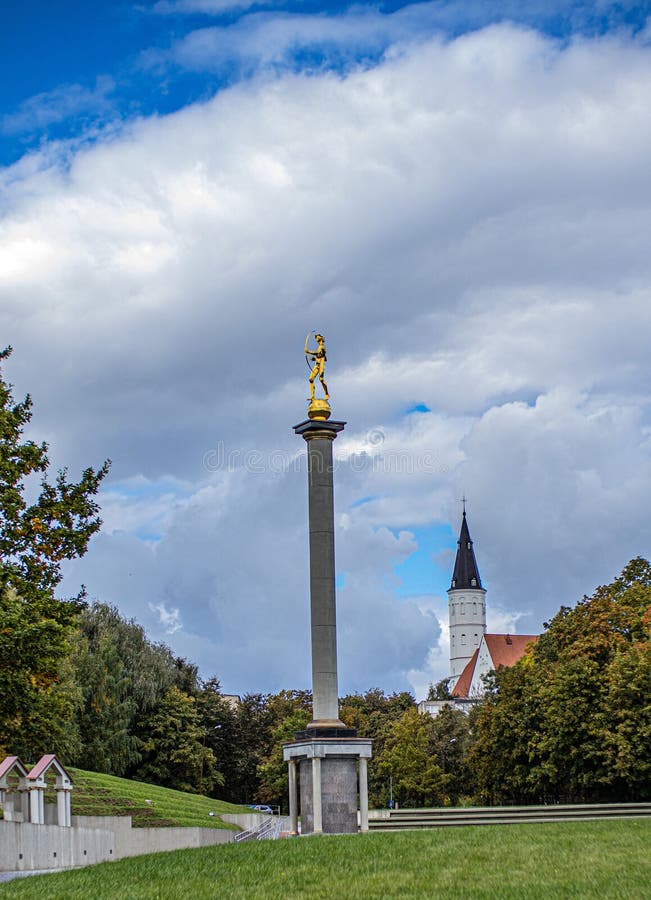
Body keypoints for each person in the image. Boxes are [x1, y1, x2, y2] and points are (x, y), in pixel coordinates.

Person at [306, 332, 329, 401]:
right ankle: (312, 396)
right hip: (317, 365)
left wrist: (308, 351)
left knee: (321, 380)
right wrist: (314, 359)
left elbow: (318, 352)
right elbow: (318, 355)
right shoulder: (319, 347)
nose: (316, 338)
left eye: (317, 337)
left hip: (321, 365)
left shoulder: (322, 346)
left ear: (321, 338)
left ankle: (327, 393)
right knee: (311, 379)